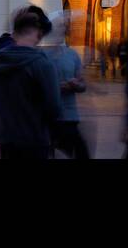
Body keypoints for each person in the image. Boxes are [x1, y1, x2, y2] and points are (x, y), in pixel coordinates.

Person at [0, 8, 61, 160]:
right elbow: (54, 107)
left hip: (6, 138)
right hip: (35, 138)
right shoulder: (42, 63)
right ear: (37, 32)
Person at [42, 18, 89, 159]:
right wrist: (58, 87)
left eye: (63, 27)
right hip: (48, 118)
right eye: (58, 26)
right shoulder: (42, 55)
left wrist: (76, 85)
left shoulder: (72, 55)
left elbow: (82, 85)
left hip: (70, 117)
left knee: (79, 153)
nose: (61, 30)